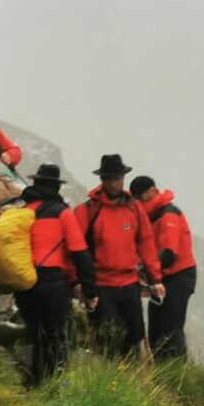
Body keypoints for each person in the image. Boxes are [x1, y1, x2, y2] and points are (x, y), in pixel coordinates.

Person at [74, 154, 163, 360]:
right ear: (102, 180)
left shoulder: (134, 208)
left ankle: (132, 374)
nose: (114, 183)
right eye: (110, 178)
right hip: (102, 286)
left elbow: (147, 244)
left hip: (130, 284)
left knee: (135, 336)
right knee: (107, 338)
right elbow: (75, 248)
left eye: (118, 178)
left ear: (123, 178)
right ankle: (109, 375)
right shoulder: (88, 210)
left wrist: (156, 279)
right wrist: (77, 282)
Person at [14, 164, 96, 383]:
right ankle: (57, 386)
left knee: (38, 337)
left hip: (24, 283)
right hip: (52, 284)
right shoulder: (62, 213)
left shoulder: (23, 212)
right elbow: (80, 252)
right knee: (58, 337)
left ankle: (36, 384)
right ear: (56, 187)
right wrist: (90, 290)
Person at [130, 176, 197, 360]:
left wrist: (145, 273)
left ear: (152, 191)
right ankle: (162, 367)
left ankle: (177, 368)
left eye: (141, 197)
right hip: (160, 277)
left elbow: (168, 254)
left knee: (170, 327)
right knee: (156, 327)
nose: (139, 202)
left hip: (178, 276)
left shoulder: (168, 214)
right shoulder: (149, 216)